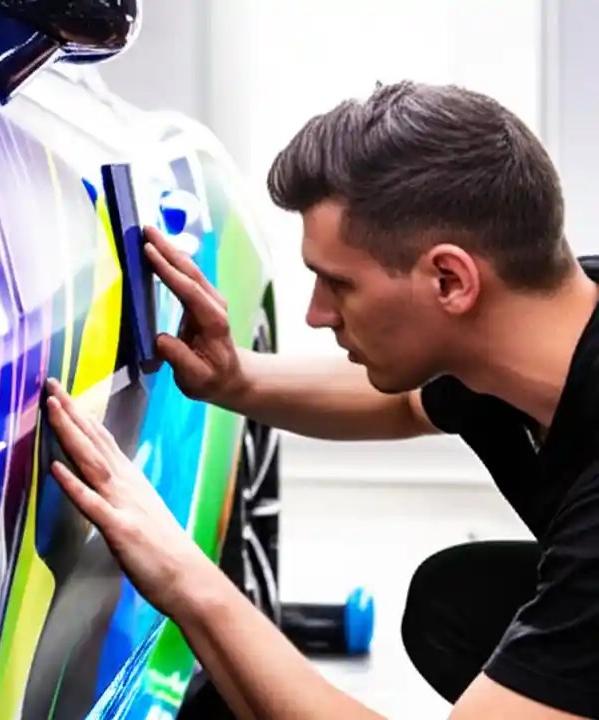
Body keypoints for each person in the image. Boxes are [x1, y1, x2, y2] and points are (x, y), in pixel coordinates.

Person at [43, 79, 599, 719]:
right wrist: (232, 379)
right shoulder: (545, 324)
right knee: (459, 603)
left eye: (339, 284)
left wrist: (183, 576)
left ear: (450, 279)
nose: (315, 315)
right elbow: (406, 403)